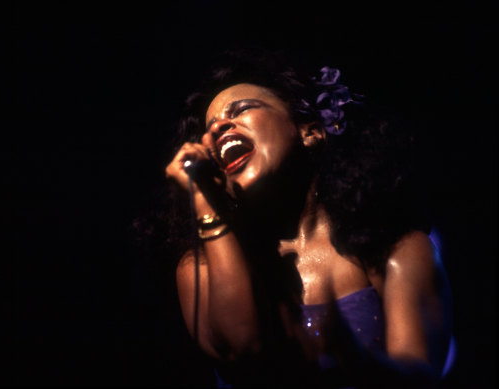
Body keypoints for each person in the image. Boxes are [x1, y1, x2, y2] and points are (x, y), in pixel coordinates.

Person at [163, 49, 454, 388]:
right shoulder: (198, 267)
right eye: (210, 129)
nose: (220, 128)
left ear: (311, 132)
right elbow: (243, 345)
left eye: (241, 109)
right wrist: (206, 202)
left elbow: (420, 372)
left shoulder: (395, 249)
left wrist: (360, 365)